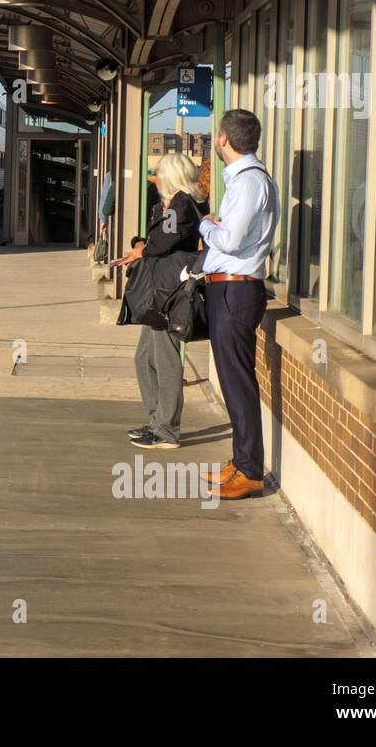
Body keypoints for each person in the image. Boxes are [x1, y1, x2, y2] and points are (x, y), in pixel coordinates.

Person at [198, 110, 279, 499]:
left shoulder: (248, 182)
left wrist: (205, 225)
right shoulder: (245, 180)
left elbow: (229, 240)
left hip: (236, 290)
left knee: (238, 382)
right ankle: (241, 461)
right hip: (230, 289)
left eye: (216, 135)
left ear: (223, 140)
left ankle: (249, 471)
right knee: (233, 381)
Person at [118, 154, 209, 451]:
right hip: (161, 292)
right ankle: (157, 420)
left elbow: (162, 242)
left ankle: (167, 430)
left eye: (158, 174)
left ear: (171, 176)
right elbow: (153, 239)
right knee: (145, 358)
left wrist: (142, 249)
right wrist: (140, 244)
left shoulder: (182, 204)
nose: (154, 178)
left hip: (169, 295)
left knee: (165, 361)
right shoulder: (171, 204)